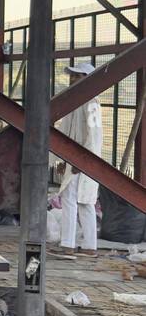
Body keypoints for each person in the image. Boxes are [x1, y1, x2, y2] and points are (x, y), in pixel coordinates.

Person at [55, 62, 102, 255]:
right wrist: (63, 159)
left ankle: (67, 244)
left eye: (77, 76)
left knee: (70, 198)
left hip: (81, 160)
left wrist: (79, 162)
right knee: (85, 201)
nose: (72, 79)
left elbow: (93, 135)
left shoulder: (90, 101)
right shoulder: (78, 101)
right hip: (77, 159)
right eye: (72, 76)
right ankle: (90, 246)